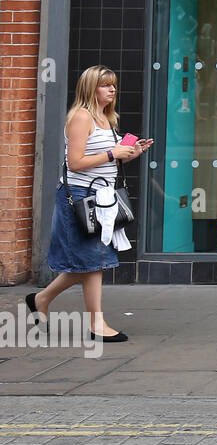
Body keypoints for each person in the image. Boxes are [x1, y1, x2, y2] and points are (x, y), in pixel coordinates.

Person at [28, 66, 152, 343]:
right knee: (92, 261)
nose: (112, 90)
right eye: (105, 85)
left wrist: (131, 152)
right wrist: (112, 152)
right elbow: (75, 162)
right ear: (90, 88)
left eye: (114, 86)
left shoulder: (108, 118)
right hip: (79, 196)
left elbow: (110, 160)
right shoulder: (81, 118)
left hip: (102, 197)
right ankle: (96, 324)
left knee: (87, 261)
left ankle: (41, 299)